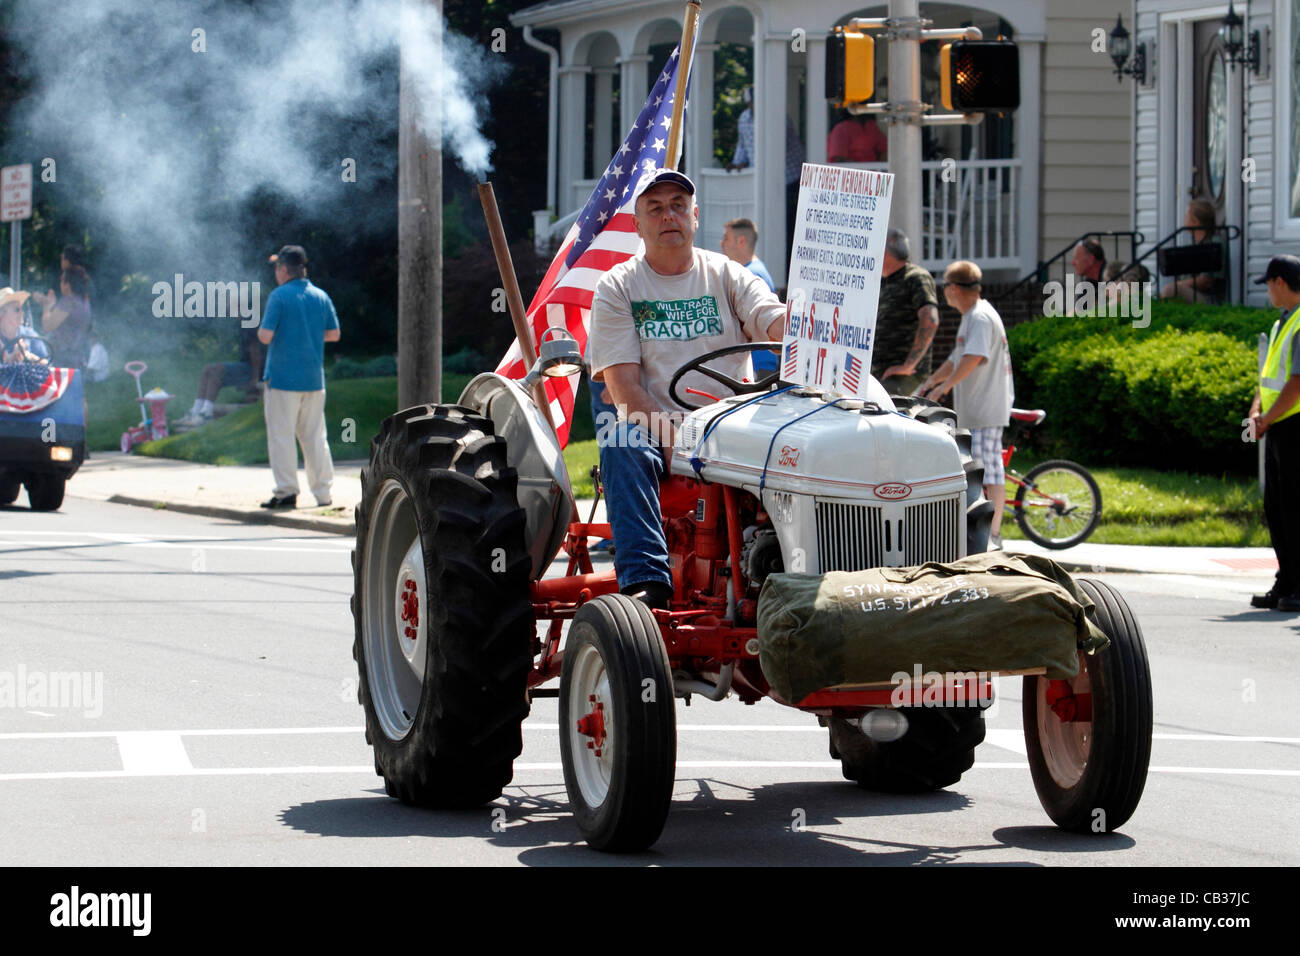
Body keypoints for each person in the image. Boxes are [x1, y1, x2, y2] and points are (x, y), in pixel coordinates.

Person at [587, 167, 787, 607]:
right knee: (619, 439)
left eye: (678, 206)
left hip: (735, 424)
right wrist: (685, 446)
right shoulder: (618, 286)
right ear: (637, 225)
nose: (668, 216)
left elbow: (769, 318)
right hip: (655, 427)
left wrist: (804, 324)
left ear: (695, 216)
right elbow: (624, 392)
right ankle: (647, 582)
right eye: (655, 208)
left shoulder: (727, 274)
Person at [917, 261, 1015, 548]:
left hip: (986, 407)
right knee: (983, 467)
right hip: (977, 408)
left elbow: (973, 358)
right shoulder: (971, 316)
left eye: (945, 286)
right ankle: (988, 531)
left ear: (955, 288)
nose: (944, 292)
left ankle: (993, 534)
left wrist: (945, 387)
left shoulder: (981, 317)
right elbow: (956, 359)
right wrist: (932, 382)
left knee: (989, 469)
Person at [257, 245, 340, 510]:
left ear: (283, 269)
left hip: (282, 379)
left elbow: (265, 336)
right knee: (315, 436)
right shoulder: (320, 296)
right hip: (314, 380)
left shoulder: (278, 297)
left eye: (276, 269)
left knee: (282, 436)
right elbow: (334, 334)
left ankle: (286, 492)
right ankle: (323, 494)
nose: (275, 274)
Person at [1248, 255, 1300, 612]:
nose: (1267, 291)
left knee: (1295, 509)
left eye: (1268, 284)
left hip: (1294, 426)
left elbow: (1297, 384)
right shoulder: (1284, 321)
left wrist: (1265, 418)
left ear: (1280, 282)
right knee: (1277, 507)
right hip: (1277, 425)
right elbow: (1269, 377)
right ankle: (1286, 581)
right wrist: (1256, 411)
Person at [726, 86, 805, 260]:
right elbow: (743, 144)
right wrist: (738, 163)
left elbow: (777, 149)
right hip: (766, 179)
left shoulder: (777, 117)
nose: (755, 105)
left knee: (789, 224)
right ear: (748, 103)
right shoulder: (744, 119)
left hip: (790, 176)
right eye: (752, 102)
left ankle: (787, 264)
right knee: (770, 223)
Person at [873, 229, 939, 396]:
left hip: (902, 376)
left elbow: (930, 320)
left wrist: (909, 365)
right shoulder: (881, 281)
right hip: (879, 372)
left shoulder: (916, 277)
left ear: (886, 251)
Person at [177, 325, 266, 428]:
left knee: (216, 370)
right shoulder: (243, 324)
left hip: (254, 371)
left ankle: (206, 414)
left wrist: (254, 378)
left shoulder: (249, 326)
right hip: (246, 367)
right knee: (208, 369)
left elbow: (256, 352)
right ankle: (195, 411)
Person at [1161, 199, 1226, 303]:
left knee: (1170, 290)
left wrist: (1177, 286)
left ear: (1195, 221)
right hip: (1194, 294)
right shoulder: (1195, 244)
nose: (1184, 218)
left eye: (1186, 215)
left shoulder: (1213, 243)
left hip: (1209, 298)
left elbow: (1205, 281)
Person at [33, 265, 92, 370]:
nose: (60, 283)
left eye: (61, 280)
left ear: (68, 284)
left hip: (64, 357)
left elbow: (47, 326)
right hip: (78, 356)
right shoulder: (84, 301)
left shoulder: (68, 302)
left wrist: (46, 306)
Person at [0, 289, 50, 364]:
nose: (22, 312)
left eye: (21, 309)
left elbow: (48, 366)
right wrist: (7, 360)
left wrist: (27, 356)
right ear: (1, 314)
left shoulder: (30, 336)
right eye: (17, 310)